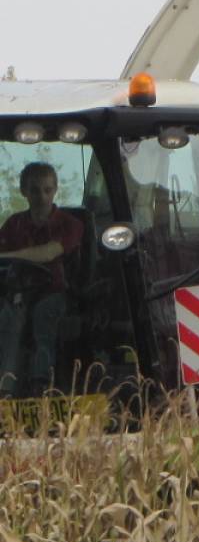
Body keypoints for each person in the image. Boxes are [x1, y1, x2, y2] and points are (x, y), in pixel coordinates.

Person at [0, 163, 84, 396]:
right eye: (35, 190)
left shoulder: (71, 224)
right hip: (17, 293)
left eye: (47, 190)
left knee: (43, 316)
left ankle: (41, 383)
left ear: (56, 189)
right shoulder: (13, 224)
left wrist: (8, 256)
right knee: (9, 318)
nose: (42, 196)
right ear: (23, 191)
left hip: (56, 293)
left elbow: (48, 253)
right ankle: (6, 389)